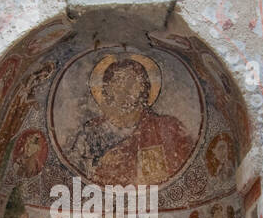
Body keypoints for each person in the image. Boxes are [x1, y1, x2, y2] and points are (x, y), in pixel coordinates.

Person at [68, 55, 194, 185]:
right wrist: (103, 167)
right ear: (107, 88)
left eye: (134, 81)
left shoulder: (167, 127)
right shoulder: (90, 131)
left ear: (143, 87)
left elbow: (183, 174)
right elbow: (75, 177)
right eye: (119, 81)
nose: (126, 88)